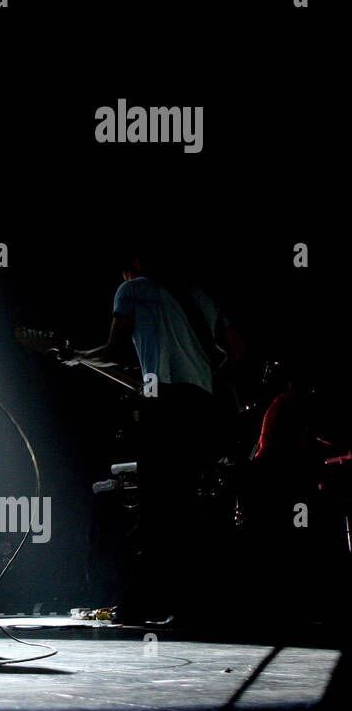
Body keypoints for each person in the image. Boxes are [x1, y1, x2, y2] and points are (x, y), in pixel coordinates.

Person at [65, 249, 241, 625]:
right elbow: (237, 351)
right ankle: (196, 602)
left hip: (165, 405)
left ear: (133, 266)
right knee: (190, 501)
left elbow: (113, 348)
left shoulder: (131, 290)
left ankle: (148, 601)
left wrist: (75, 356)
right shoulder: (197, 295)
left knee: (158, 504)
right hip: (204, 407)